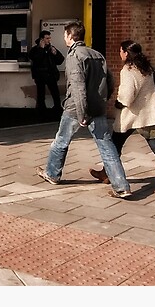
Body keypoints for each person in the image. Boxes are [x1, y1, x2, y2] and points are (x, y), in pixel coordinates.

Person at [38, 20, 132, 198]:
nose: (64, 37)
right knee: (107, 147)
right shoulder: (97, 55)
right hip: (98, 108)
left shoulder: (74, 57)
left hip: (76, 109)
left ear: (70, 36)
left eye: (65, 34)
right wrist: (103, 99)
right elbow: (110, 81)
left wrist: (82, 114)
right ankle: (121, 186)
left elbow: (78, 87)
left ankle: (52, 173)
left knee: (61, 141)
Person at [89, 39, 155, 197]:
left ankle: (107, 174)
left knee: (115, 145)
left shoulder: (128, 70)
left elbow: (127, 97)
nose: (119, 53)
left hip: (132, 117)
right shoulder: (146, 67)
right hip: (150, 116)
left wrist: (117, 103)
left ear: (126, 53)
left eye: (121, 51)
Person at [28, 30, 64, 116]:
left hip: (51, 75)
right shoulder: (35, 49)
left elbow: (60, 60)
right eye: (47, 38)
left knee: (55, 93)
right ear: (42, 39)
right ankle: (41, 111)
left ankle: (57, 110)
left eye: (49, 38)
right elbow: (36, 60)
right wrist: (41, 49)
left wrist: (55, 54)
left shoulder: (51, 48)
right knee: (41, 94)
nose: (49, 40)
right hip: (40, 76)